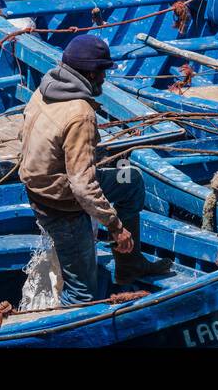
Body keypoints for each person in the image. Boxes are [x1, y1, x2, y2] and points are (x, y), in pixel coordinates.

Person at [19, 35, 171, 305]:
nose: (104, 78)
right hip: (60, 204)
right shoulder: (81, 114)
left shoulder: (44, 89)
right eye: (102, 72)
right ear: (90, 73)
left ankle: (129, 264)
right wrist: (115, 227)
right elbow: (82, 186)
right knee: (82, 293)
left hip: (38, 186)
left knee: (130, 181)